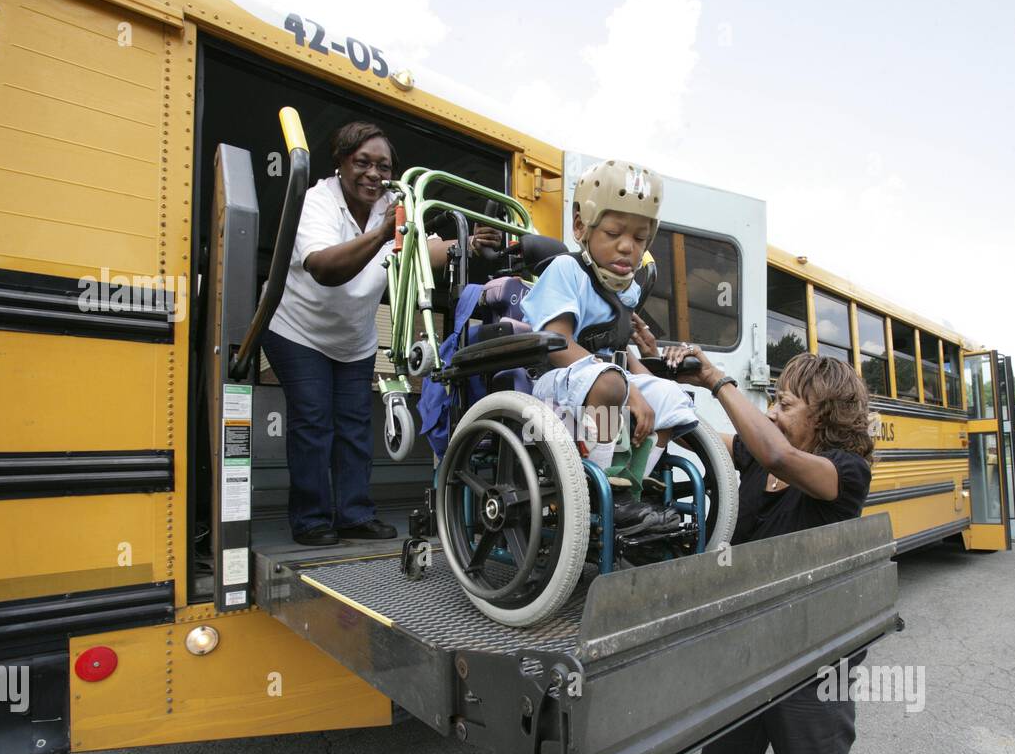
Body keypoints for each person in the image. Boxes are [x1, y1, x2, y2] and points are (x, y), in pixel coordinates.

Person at [661, 346, 874, 754]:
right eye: (772, 405)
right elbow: (706, 435)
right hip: (745, 662)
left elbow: (779, 454)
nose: (773, 413)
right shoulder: (758, 460)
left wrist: (716, 377)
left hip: (813, 668)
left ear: (824, 413)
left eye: (785, 404)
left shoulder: (844, 472)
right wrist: (653, 376)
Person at [263, 121, 499, 546]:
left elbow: (420, 252)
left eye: (383, 166)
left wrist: (466, 243)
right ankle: (312, 519)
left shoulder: (393, 202)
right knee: (314, 421)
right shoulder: (317, 202)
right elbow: (324, 268)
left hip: (352, 340)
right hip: (296, 330)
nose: (374, 174)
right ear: (340, 163)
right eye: (363, 163)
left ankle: (354, 514)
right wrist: (380, 232)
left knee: (354, 426)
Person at [520, 159, 696, 533]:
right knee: (611, 382)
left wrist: (648, 385)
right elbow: (557, 344)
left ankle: (632, 484)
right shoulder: (566, 271)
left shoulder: (625, 291)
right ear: (582, 225)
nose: (626, 247)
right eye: (615, 232)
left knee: (672, 397)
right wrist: (629, 387)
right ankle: (604, 493)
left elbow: (620, 348)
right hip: (557, 389)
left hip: (602, 385)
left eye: (639, 238)